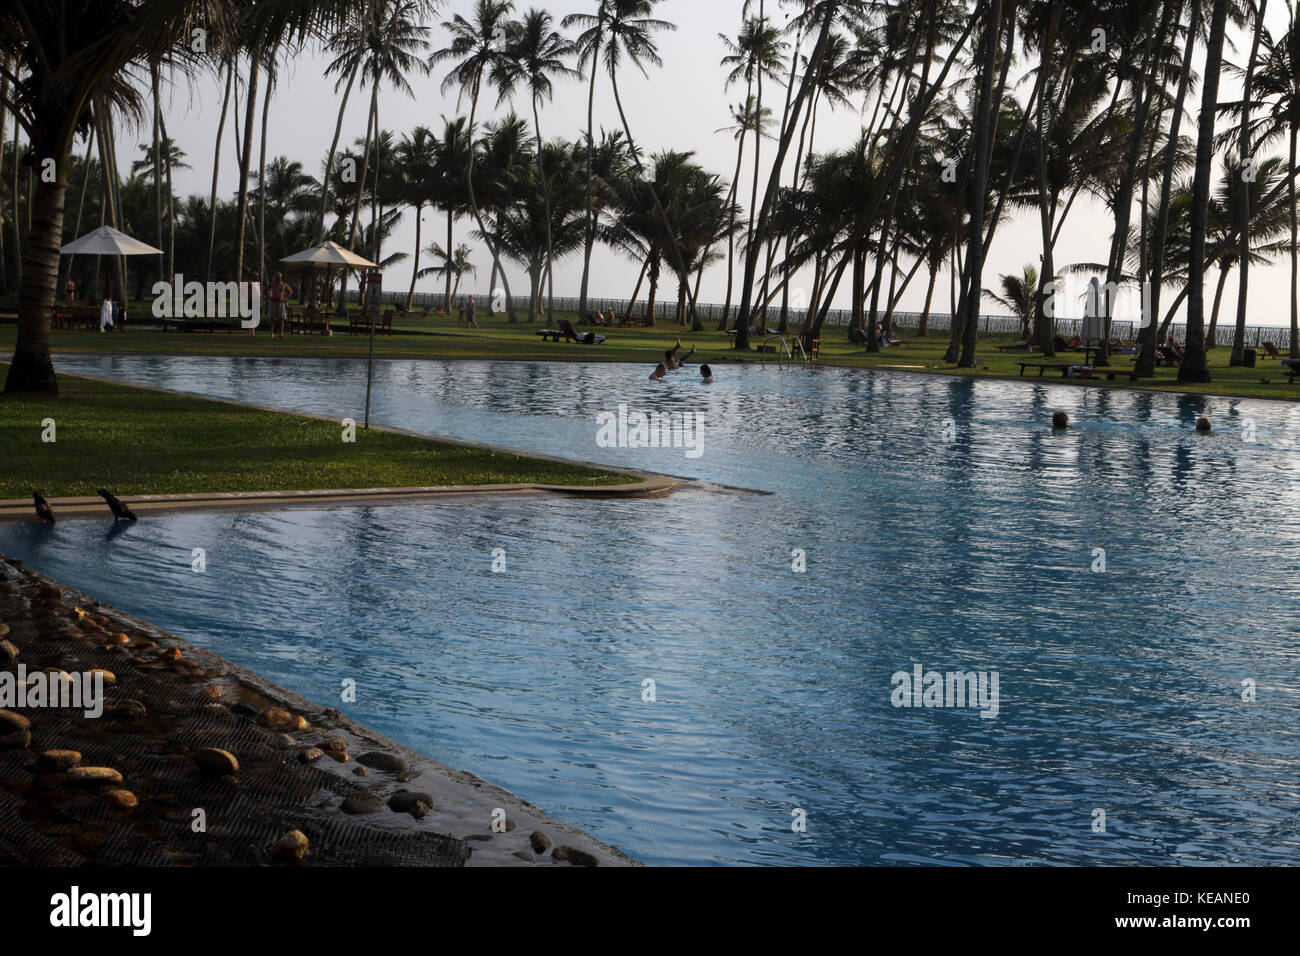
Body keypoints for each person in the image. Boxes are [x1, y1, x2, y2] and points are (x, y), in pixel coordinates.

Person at [266, 271, 291, 338]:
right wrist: (269, 296)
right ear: (275, 277)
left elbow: (290, 291)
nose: (278, 278)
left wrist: (285, 298)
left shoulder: (284, 284)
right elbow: (265, 290)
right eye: (277, 276)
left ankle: (281, 334)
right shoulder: (272, 284)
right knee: (272, 319)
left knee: (281, 319)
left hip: (281, 303)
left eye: (279, 277)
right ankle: (272, 333)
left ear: (281, 278)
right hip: (273, 302)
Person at [246, 270, 260, 337]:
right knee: (249, 317)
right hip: (250, 302)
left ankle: (252, 333)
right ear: (252, 276)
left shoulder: (256, 284)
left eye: (257, 276)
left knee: (254, 318)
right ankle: (249, 332)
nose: (256, 277)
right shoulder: (250, 283)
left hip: (256, 302)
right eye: (255, 276)